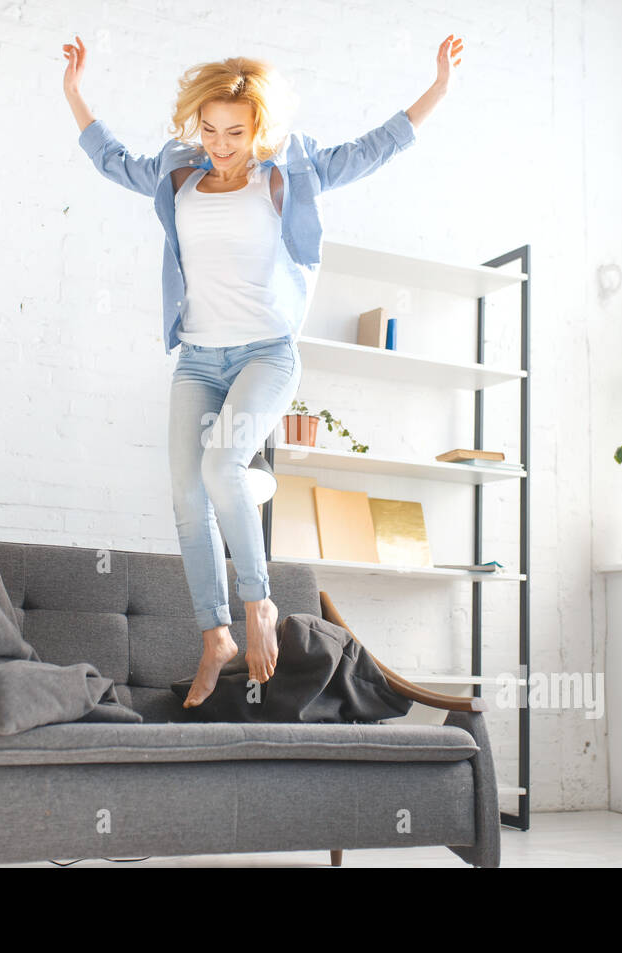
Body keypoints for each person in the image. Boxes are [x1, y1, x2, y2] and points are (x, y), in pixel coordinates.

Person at [62, 33, 463, 707]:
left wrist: (437, 90)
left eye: (236, 131)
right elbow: (112, 161)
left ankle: (258, 605)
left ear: (260, 127)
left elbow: (370, 150)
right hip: (197, 357)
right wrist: (75, 94)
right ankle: (214, 632)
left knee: (222, 469)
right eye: (210, 129)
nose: (221, 144)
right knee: (188, 494)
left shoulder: (288, 170)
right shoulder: (178, 171)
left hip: (265, 352)